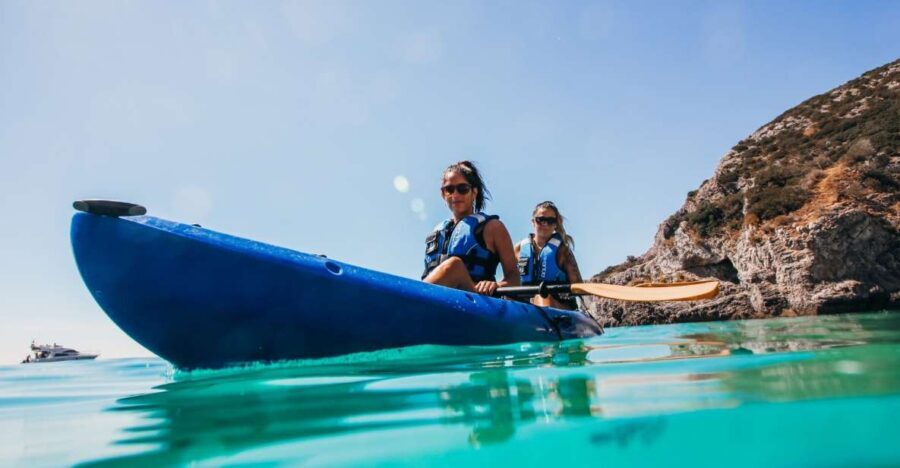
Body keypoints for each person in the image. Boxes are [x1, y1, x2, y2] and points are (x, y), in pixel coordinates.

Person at [422, 161, 521, 296]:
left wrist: (496, 285)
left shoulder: (493, 227)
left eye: (462, 189)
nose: (455, 195)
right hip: (439, 301)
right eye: (449, 189)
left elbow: (514, 279)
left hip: (475, 303)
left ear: (474, 192)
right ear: (443, 194)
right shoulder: (438, 232)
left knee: (454, 266)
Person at [515, 201, 583, 309]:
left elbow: (579, 286)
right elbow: (509, 279)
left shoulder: (563, 251)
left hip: (558, 306)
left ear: (555, 224)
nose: (545, 224)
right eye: (541, 220)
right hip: (526, 307)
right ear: (533, 221)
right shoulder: (518, 249)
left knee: (542, 297)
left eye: (550, 221)